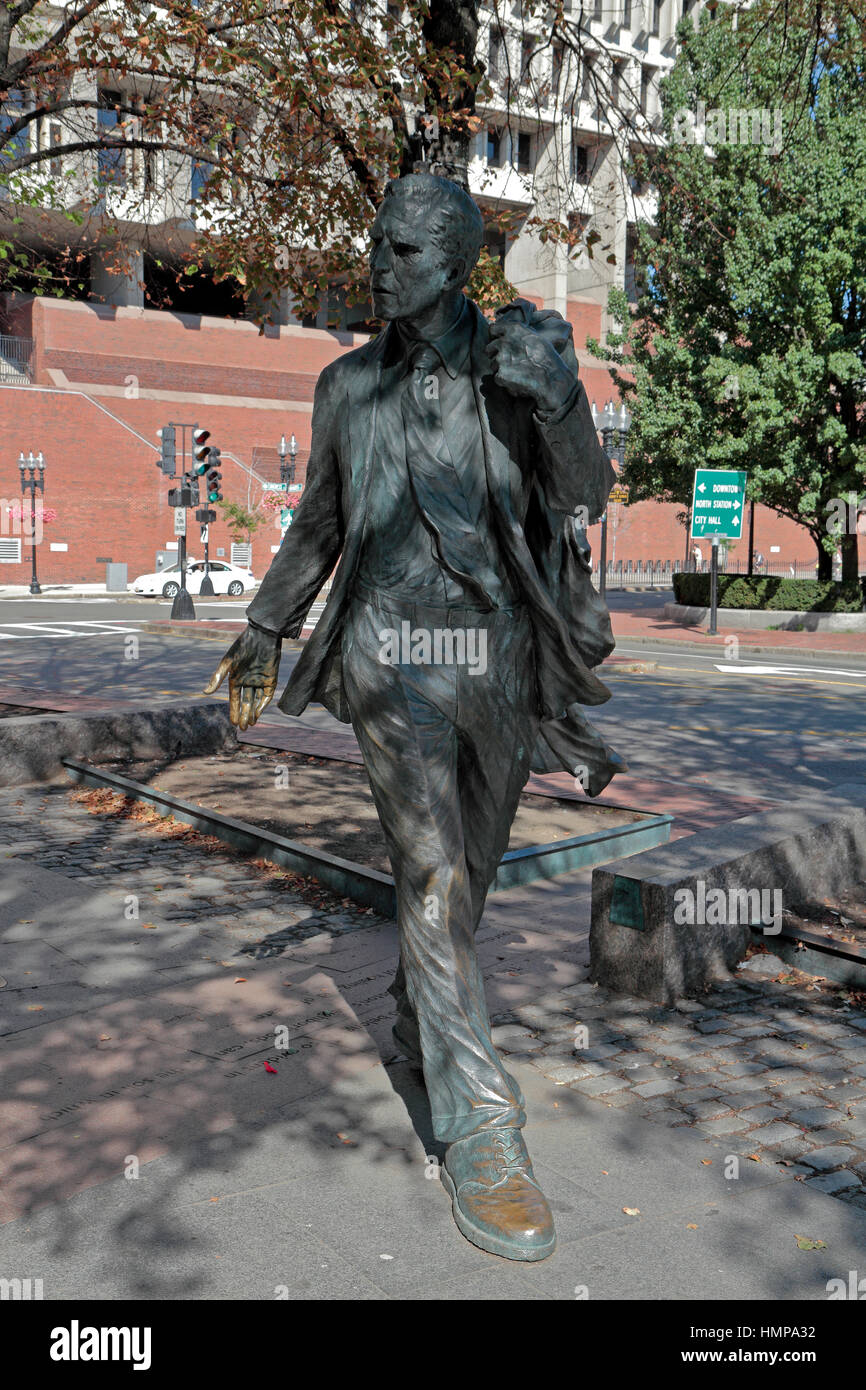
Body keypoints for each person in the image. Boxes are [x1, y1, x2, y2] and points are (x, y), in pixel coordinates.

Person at [204, 172, 624, 1262]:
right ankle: (483, 1129)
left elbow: (583, 496)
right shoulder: (347, 387)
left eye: (399, 251)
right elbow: (321, 522)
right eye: (375, 245)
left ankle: (412, 1027)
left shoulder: (518, 360)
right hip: (390, 650)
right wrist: (266, 624)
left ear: (454, 262)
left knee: (466, 877)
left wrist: (561, 403)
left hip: (495, 655)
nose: (376, 267)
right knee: (431, 876)